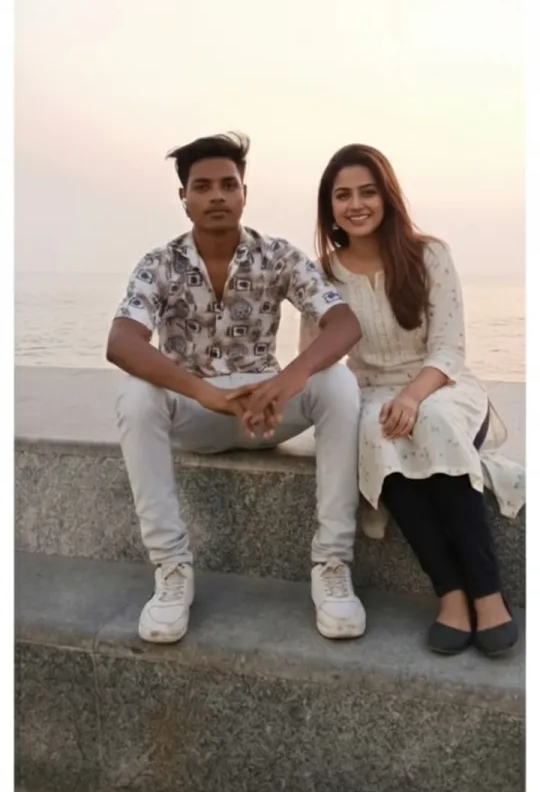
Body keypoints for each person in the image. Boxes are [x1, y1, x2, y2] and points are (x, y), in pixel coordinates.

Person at [107, 132, 365, 644]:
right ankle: (172, 570)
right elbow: (121, 342)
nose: (218, 195)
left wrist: (288, 380)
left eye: (229, 184)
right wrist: (204, 393)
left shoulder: (279, 257)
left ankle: (332, 565)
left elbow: (344, 324)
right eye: (203, 187)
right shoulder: (158, 263)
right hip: (197, 414)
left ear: (245, 192)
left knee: (337, 382)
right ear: (184, 199)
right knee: (135, 395)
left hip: (266, 413)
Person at [299, 143, 524, 657]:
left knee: (431, 423)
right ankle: (450, 593)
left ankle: (488, 593)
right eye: (342, 195)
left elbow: (450, 347)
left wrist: (413, 395)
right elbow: (313, 360)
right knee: (378, 433)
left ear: (387, 196)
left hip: (443, 385)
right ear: (328, 206)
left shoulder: (429, 254)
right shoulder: (321, 275)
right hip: (371, 396)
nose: (356, 204)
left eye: (367, 192)